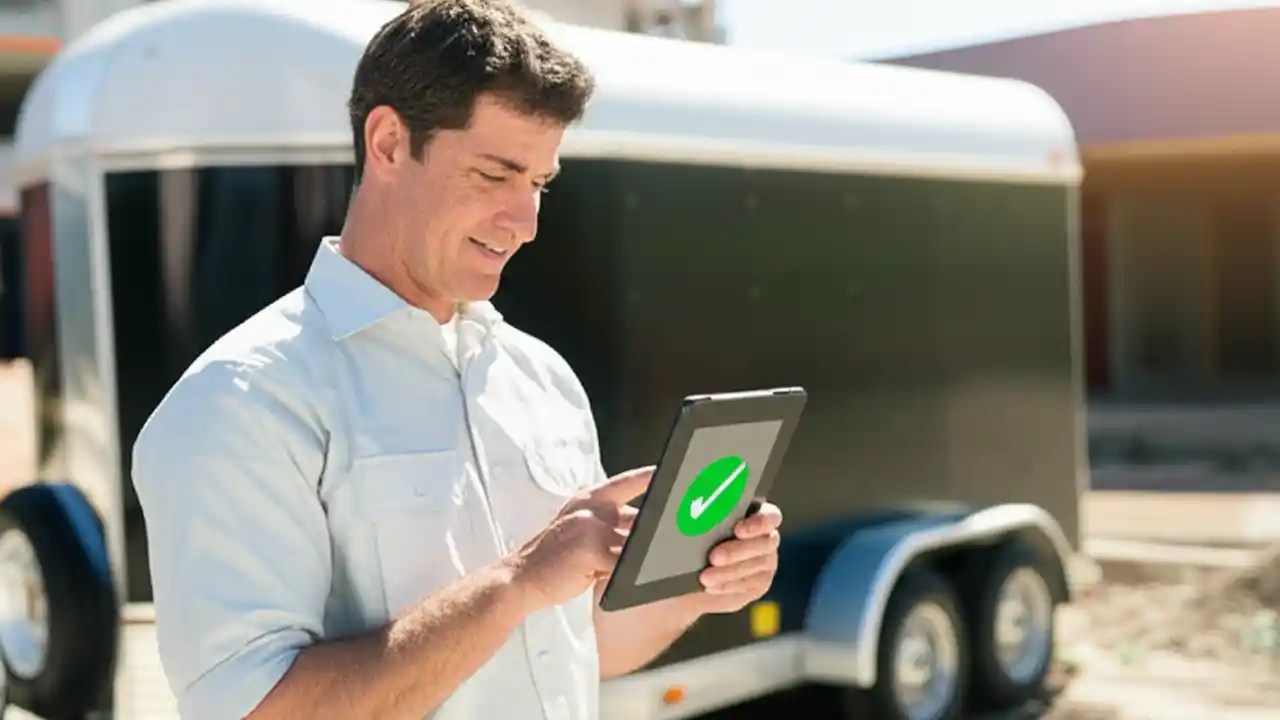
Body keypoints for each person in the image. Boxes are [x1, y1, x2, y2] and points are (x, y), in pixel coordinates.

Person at [129, 1, 784, 719]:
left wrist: (697, 584)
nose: (527, 223)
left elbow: (573, 645)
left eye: (538, 184)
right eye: (495, 174)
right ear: (387, 142)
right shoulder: (241, 401)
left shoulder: (543, 379)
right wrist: (518, 582)